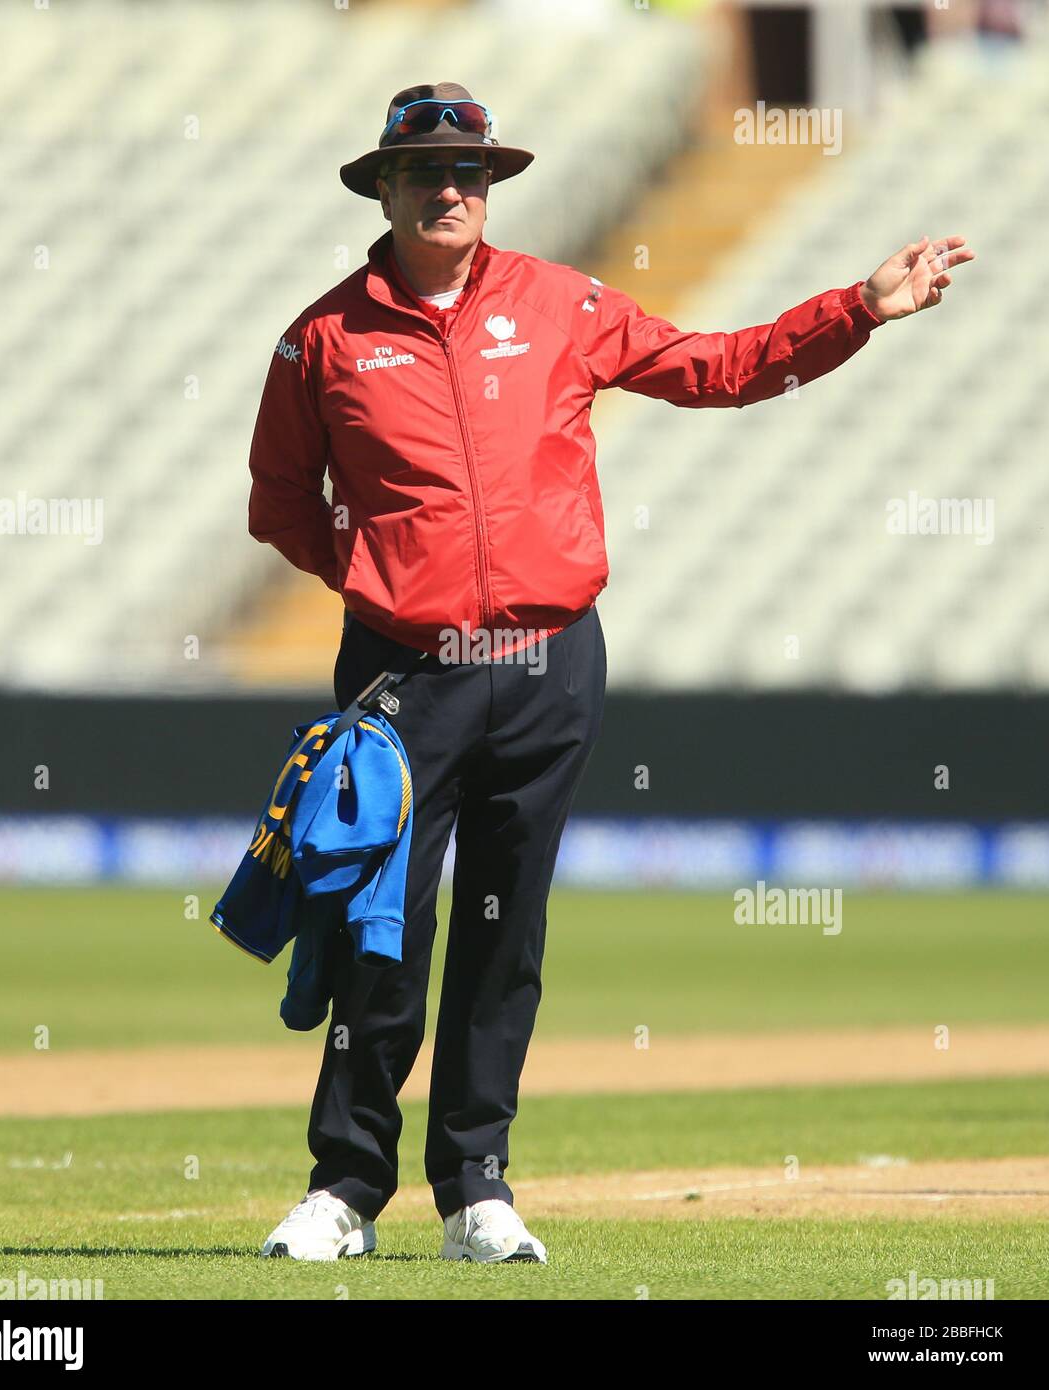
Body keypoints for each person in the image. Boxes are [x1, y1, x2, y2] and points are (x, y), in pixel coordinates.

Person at [247, 82, 974, 1263]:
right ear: (378, 185)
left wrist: (858, 308)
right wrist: (384, 576)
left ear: (491, 189)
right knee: (382, 929)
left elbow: (719, 366)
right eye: (426, 172)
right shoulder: (322, 337)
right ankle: (343, 1190)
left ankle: (476, 1187)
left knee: (505, 926)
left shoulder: (559, 304)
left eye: (471, 174)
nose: (450, 191)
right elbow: (280, 502)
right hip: (404, 676)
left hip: (546, 664)